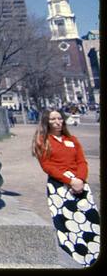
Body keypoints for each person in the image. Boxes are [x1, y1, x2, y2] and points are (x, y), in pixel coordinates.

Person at [32, 109, 100, 266]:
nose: (58, 122)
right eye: (53, 119)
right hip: (59, 186)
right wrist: (68, 180)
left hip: (80, 184)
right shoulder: (43, 140)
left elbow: (82, 161)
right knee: (67, 225)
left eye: (60, 119)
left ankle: (92, 256)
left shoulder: (72, 140)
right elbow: (47, 166)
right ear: (46, 122)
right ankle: (74, 259)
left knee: (90, 221)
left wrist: (80, 179)